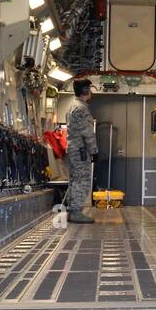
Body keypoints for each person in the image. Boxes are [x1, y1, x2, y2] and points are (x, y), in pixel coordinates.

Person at [65, 79, 99, 225]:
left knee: (75, 179)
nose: (90, 92)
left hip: (74, 148)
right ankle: (76, 212)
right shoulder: (81, 108)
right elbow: (87, 132)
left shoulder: (72, 106)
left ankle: (73, 209)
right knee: (81, 179)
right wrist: (94, 150)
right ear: (85, 91)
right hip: (80, 149)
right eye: (89, 89)